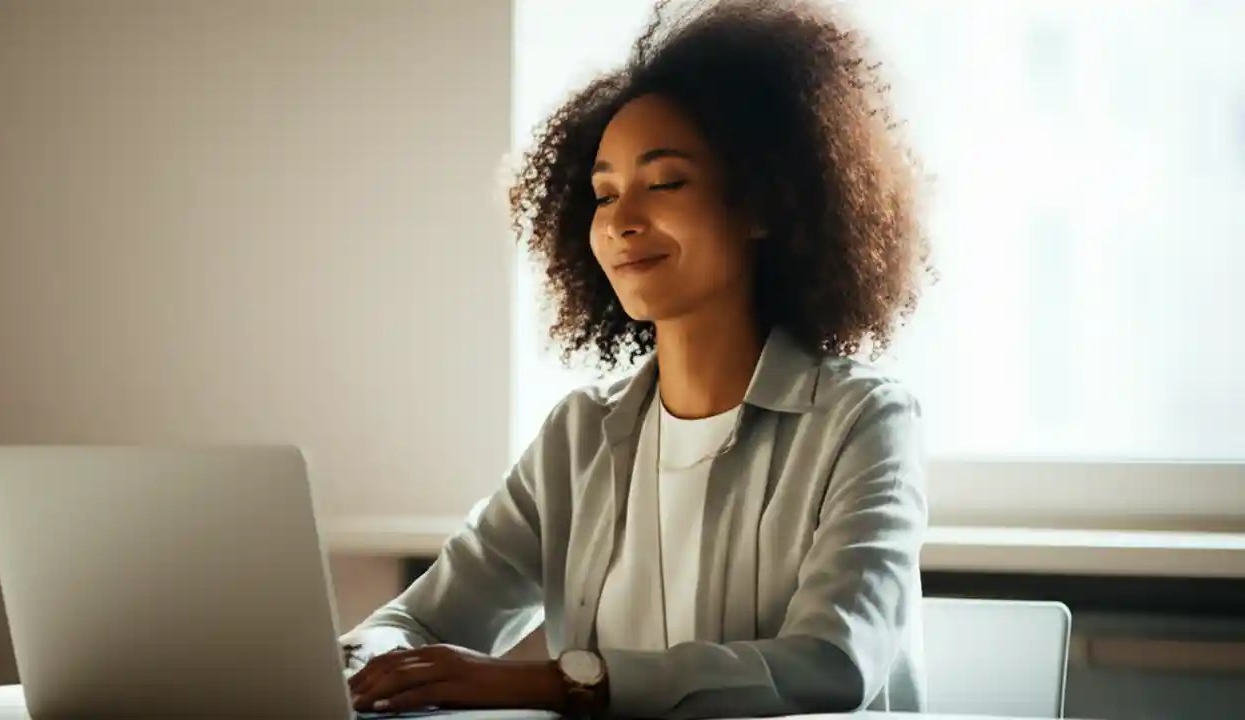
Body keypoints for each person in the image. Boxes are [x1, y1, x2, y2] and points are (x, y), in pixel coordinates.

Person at [343, 0, 931, 716]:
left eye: (666, 183)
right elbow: (418, 622)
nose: (622, 222)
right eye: (603, 194)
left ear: (763, 204)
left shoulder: (863, 420)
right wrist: (356, 664)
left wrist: (554, 682)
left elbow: (831, 664)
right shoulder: (580, 435)